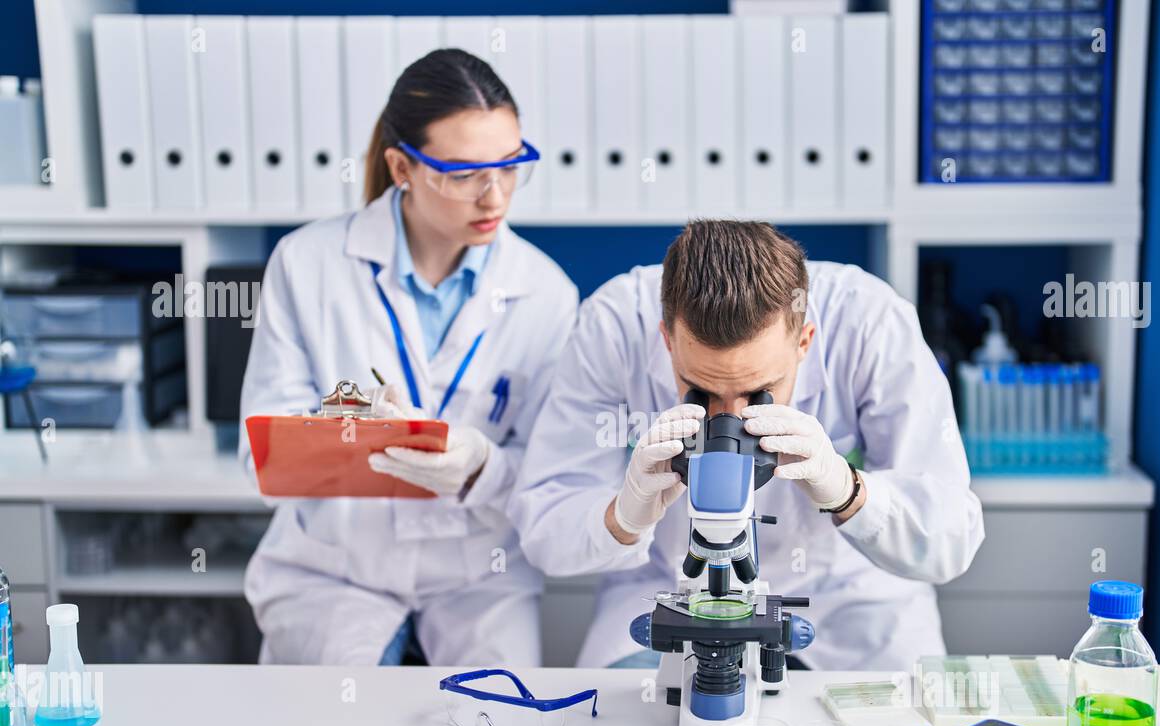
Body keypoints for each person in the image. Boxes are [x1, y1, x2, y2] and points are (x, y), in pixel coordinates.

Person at [511, 220, 984, 670]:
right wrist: (623, 517)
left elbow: (950, 540)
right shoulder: (614, 326)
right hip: (671, 588)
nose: (731, 421)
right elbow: (544, 528)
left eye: (760, 392)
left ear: (805, 342)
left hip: (849, 597)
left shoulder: (870, 322)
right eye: (702, 390)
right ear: (666, 340)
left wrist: (848, 492)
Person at [239, 50, 577, 666]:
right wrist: (340, 430)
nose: (493, 194)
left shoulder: (546, 291)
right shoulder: (307, 263)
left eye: (510, 166)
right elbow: (259, 453)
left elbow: (552, 470)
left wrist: (480, 465)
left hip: (481, 577)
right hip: (337, 570)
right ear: (402, 167)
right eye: (464, 173)